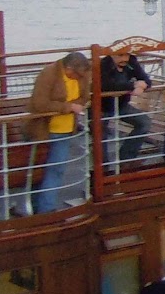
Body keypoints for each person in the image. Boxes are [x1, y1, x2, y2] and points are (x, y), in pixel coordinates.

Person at [28, 52, 91, 213]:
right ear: (68, 68)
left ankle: (44, 207)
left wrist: (76, 105)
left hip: (66, 128)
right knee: (46, 169)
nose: (78, 78)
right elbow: (39, 103)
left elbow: (84, 96)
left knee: (56, 169)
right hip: (45, 129)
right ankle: (43, 208)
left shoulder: (82, 75)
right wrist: (67, 107)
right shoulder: (49, 73)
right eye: (75, 75)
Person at [99, 48, 153, 168]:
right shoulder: (103, 65)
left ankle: (127, 158)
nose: (124, 59)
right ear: (112, 55)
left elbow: (146, 79)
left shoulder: (131, 62)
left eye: (126, 55)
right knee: (99, 135)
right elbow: (106, 85)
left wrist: (142, 85)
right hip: (102, 107)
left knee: (144, 122)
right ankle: (101, 169)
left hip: (122, 104)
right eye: (120, 55)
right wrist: (133, 85)